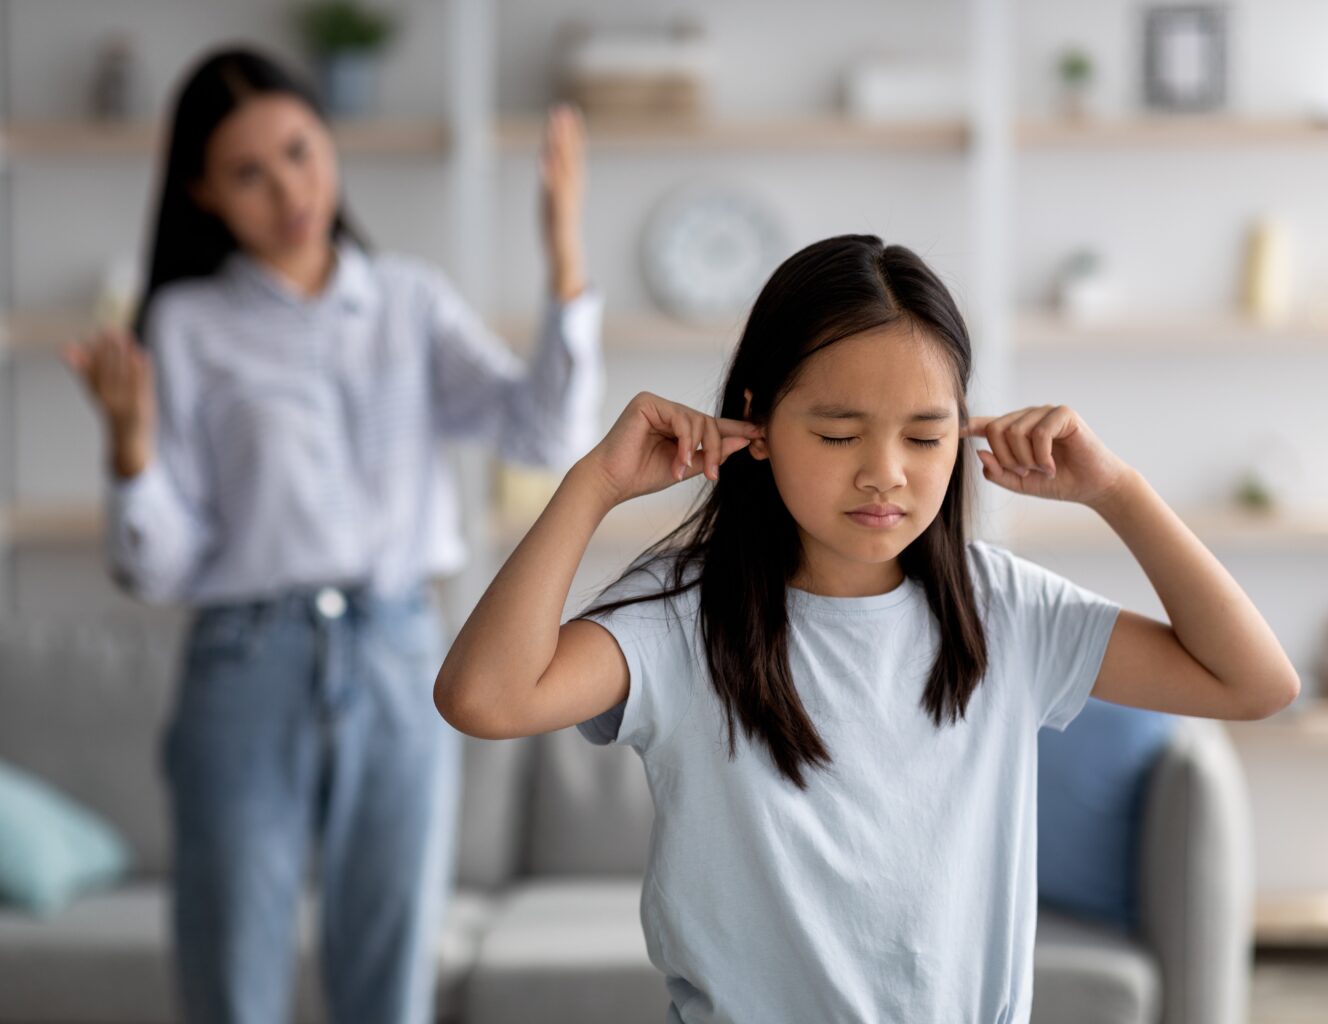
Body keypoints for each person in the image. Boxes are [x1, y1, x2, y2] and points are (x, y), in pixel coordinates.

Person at [433, 233, 1299, 1023]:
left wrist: (1116, 490)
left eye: (925, 439)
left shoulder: (1006, 610)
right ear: (758, 424)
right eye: (840, 433)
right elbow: (483, 697)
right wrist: (596, 482)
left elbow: (1256, 683)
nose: (885, 475)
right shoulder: (680, 616)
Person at [63, 46, 601, 1024]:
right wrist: (131, 450)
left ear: (330, 146)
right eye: (248, 173)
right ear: (202, 192)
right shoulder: (183, 325)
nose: (289, 191)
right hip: (245, 659)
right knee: (234, 966)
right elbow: (164, 563)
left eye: (301, 152)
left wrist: (565, 265)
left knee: (389, 973)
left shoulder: (409, 300)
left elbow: (544, 431)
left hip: (399, 651)